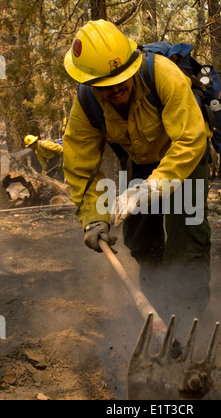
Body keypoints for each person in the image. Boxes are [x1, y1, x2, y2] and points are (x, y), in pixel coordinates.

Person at [63, 19, 212, 329]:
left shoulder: (164, 75)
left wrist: (152, 188)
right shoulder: (86, 103)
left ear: (133, 64)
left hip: (184, 155)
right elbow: (79, 165)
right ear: (91, 83)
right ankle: (157, 321)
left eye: (122, 78)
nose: (115, 88)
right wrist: (93, 217)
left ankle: (188, 325)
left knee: (186, 244)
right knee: (143, 243)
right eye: (105, 84)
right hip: (139, 161)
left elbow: (191, 139)